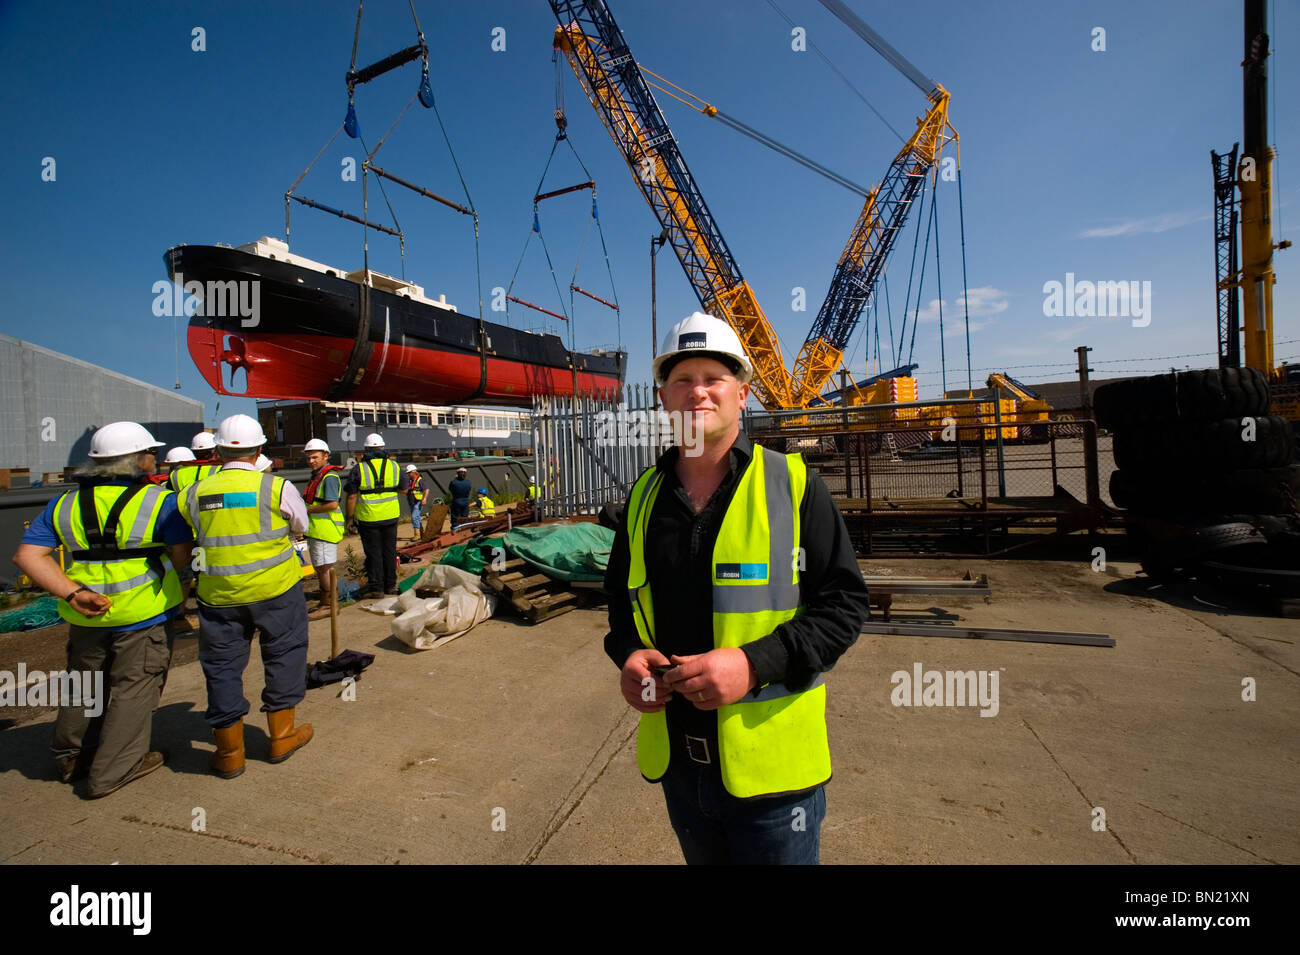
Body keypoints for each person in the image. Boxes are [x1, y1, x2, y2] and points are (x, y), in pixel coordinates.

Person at [603, 312, 871, 865]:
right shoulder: (643, 498)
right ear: (662, 398)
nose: (697, 392)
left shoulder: (794, 485)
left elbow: (844, 606)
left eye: (713, 378)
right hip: (680, 767)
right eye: (683, 380)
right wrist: (628, 654)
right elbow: (621, 607)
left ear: (742, 394)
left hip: (773, 781)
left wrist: (753, 664)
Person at [12, 421, 194, 798]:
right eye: (151, 453)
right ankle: (115, 769)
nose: (154, 458)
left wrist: (73, 593)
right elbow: (181, 555)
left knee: (85, 682)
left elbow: (28, 557)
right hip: (144, 613)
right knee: (135, 688)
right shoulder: (160, 501)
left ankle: (71, 757)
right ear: (139, 460)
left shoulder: (63, 503)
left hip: (86, 613)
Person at [180, 414, 313, 778]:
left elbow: (187, 531)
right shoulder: (276, 487)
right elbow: (300, 525)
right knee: (284, 655)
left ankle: (229, 753)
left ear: (217, 452)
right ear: (259, 450)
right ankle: (281, 738)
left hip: (218, 595)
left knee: (222, 666)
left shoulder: (193, 493)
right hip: (276, 590)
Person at [344, 433, 401, 598]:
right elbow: (404, 489)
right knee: (390, 551)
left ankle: (376, 589)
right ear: (383, 448)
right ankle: (390, 585)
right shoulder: (394, 466)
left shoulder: (359, 469)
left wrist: (349, 519)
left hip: (369, 519)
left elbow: (352, 496)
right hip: (391, 516)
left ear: (366, 449)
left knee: (374, 553)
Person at [302, 438, 343, 620]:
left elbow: (333, 504)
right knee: (320, 567)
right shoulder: (318, 475)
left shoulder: (329, 477)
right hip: (318, 530)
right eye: (308, 458)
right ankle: (326, 602)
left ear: (326, 456)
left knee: (325, 568)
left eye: (315, 457)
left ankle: (329, 605)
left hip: (326, 530)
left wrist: (307, 510)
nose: (311, 461)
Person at [405, 464, 430, 538]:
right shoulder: (409, 481)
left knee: (414, 517)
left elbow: (426, 490)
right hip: (411, 501)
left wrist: (424, 499)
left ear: (413, 472)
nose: (408, 474)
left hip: (418, 501)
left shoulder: (420, 480)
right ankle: (421, 532)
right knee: (417, 517)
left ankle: (417, 535)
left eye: (409, 473)